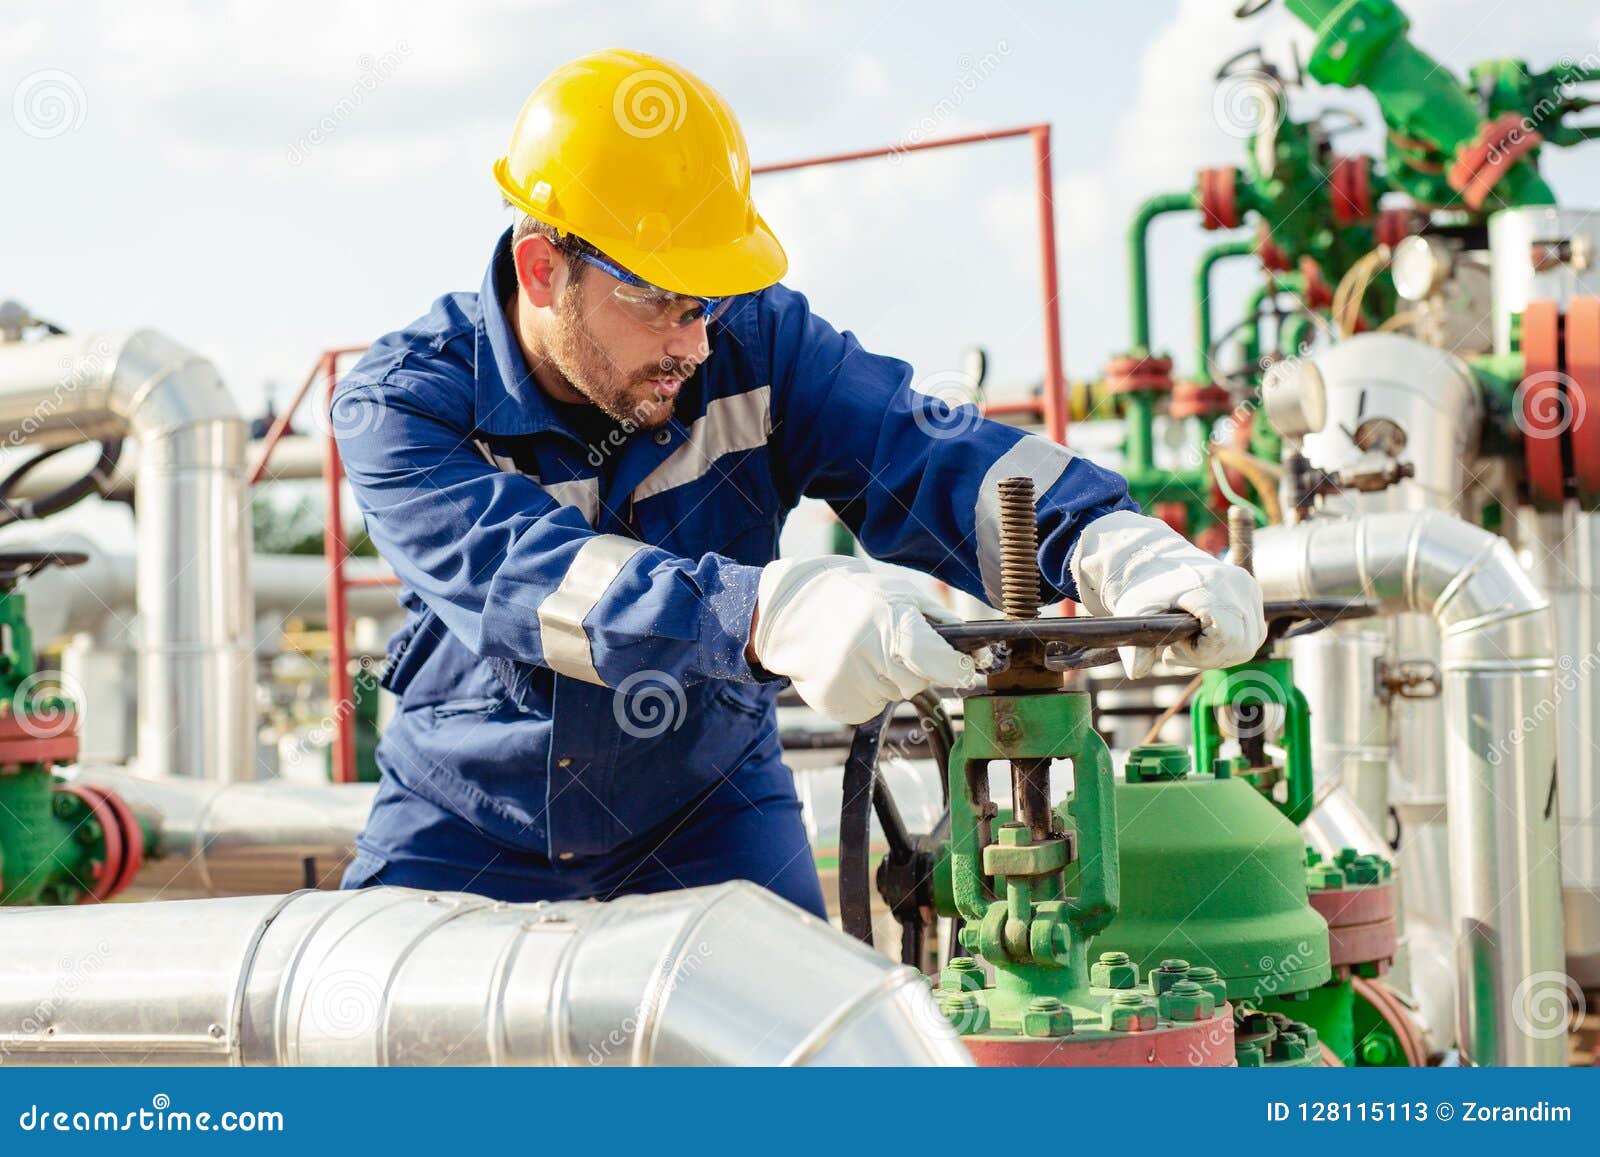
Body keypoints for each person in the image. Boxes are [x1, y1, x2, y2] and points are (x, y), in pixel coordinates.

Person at [332, 49, 1266, 918]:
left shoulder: (757, 342)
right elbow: (530, 580)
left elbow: (914, 445)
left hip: (704, 809)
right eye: (661, 299)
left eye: (708, 301)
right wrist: (758, 614)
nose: (696, 343)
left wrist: (1101, 535)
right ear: (544, 271)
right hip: (471, 821)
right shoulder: (403, 406)